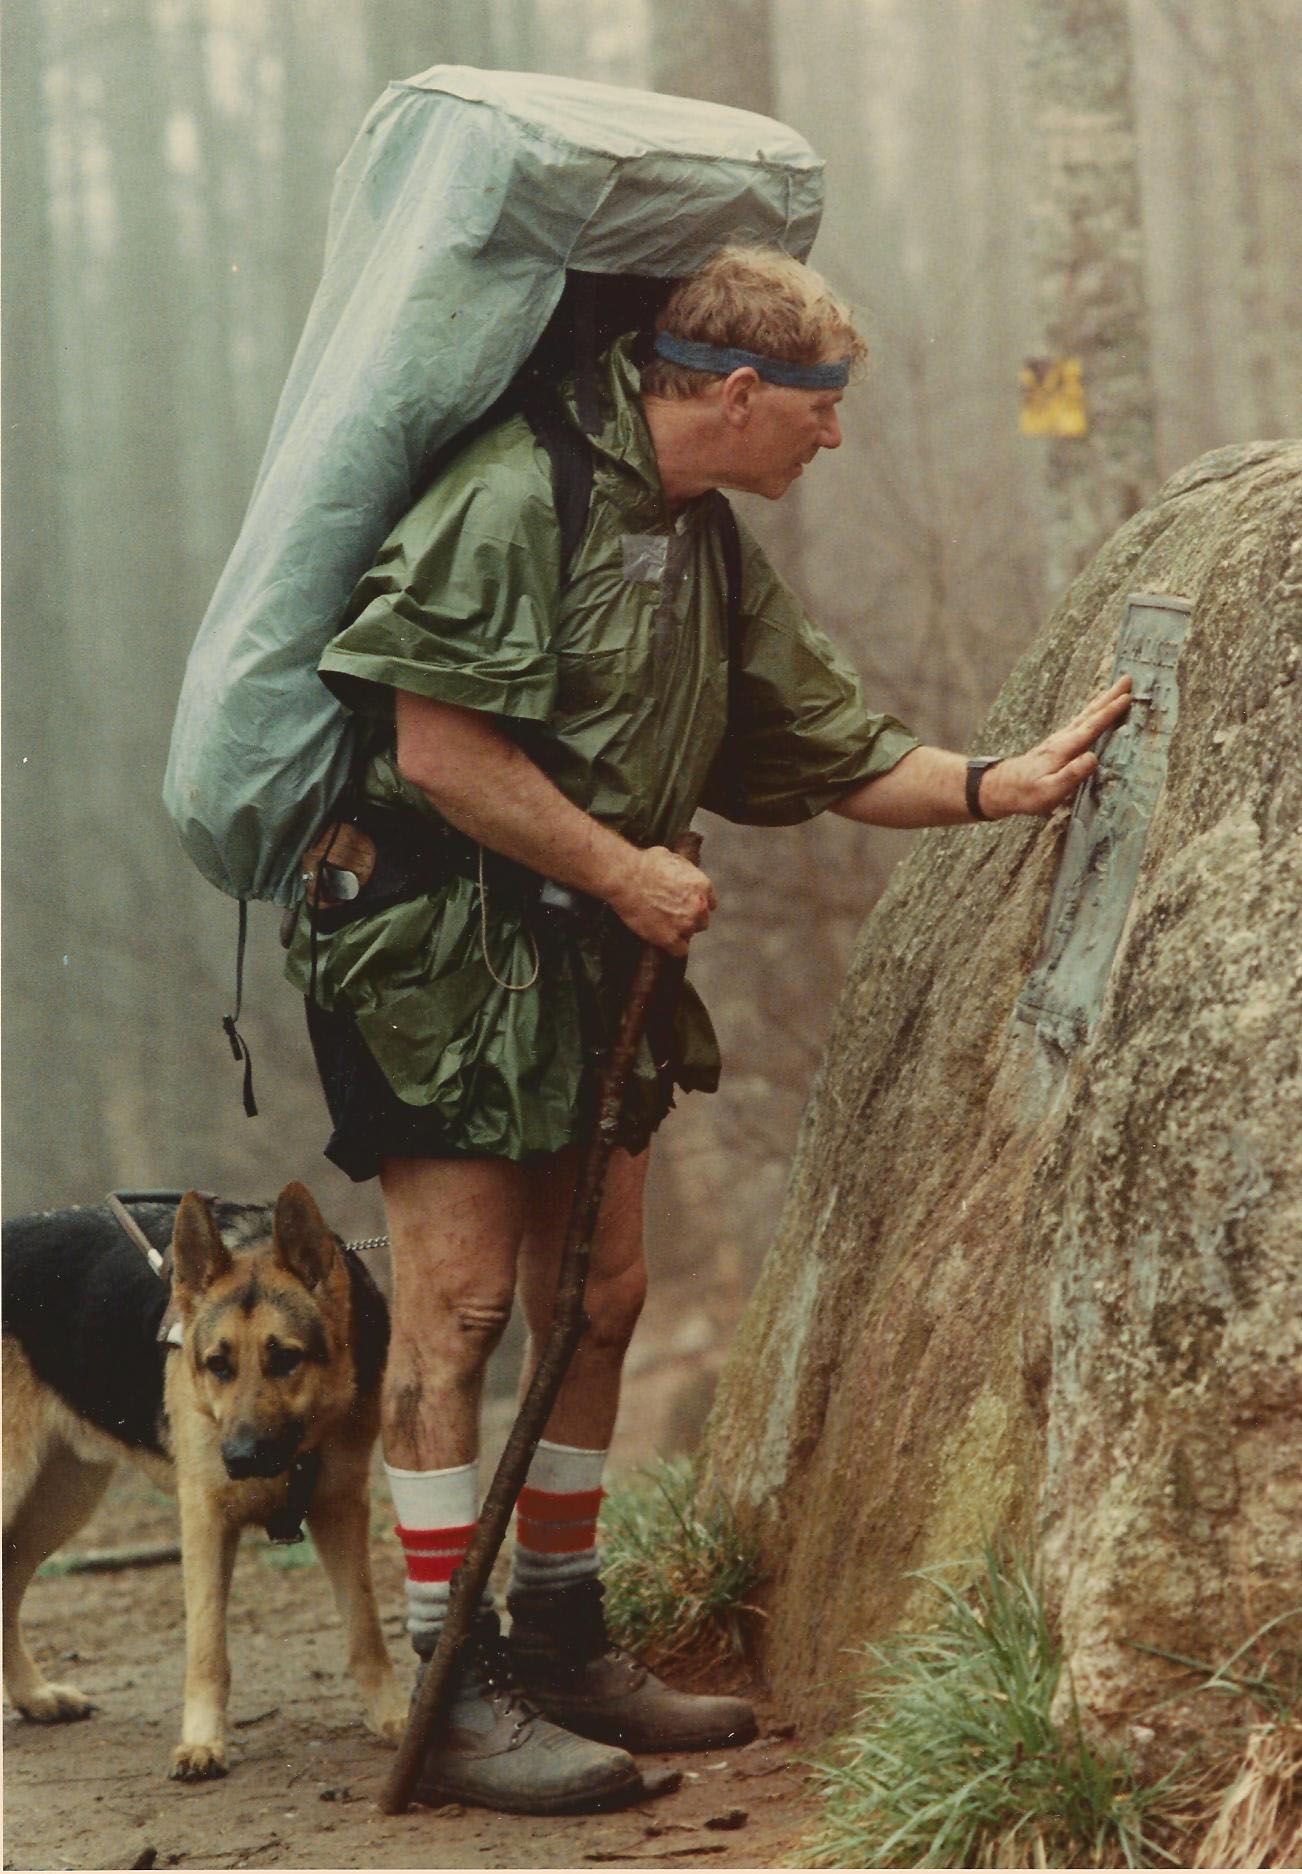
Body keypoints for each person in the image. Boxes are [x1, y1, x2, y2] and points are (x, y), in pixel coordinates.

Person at [286, 244, 1131, 1814]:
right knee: (460, 1310)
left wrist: (992, 783)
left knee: (599, 1295)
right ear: (738, 393)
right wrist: (623, 867)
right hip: (434, 947)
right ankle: (447, 1679)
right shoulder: (508, 498)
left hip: (589, 957)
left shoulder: (700, 539)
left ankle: (560, 1638)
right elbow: (438, 747)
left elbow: (824, 741)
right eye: (819, 408)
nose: (832, 437)